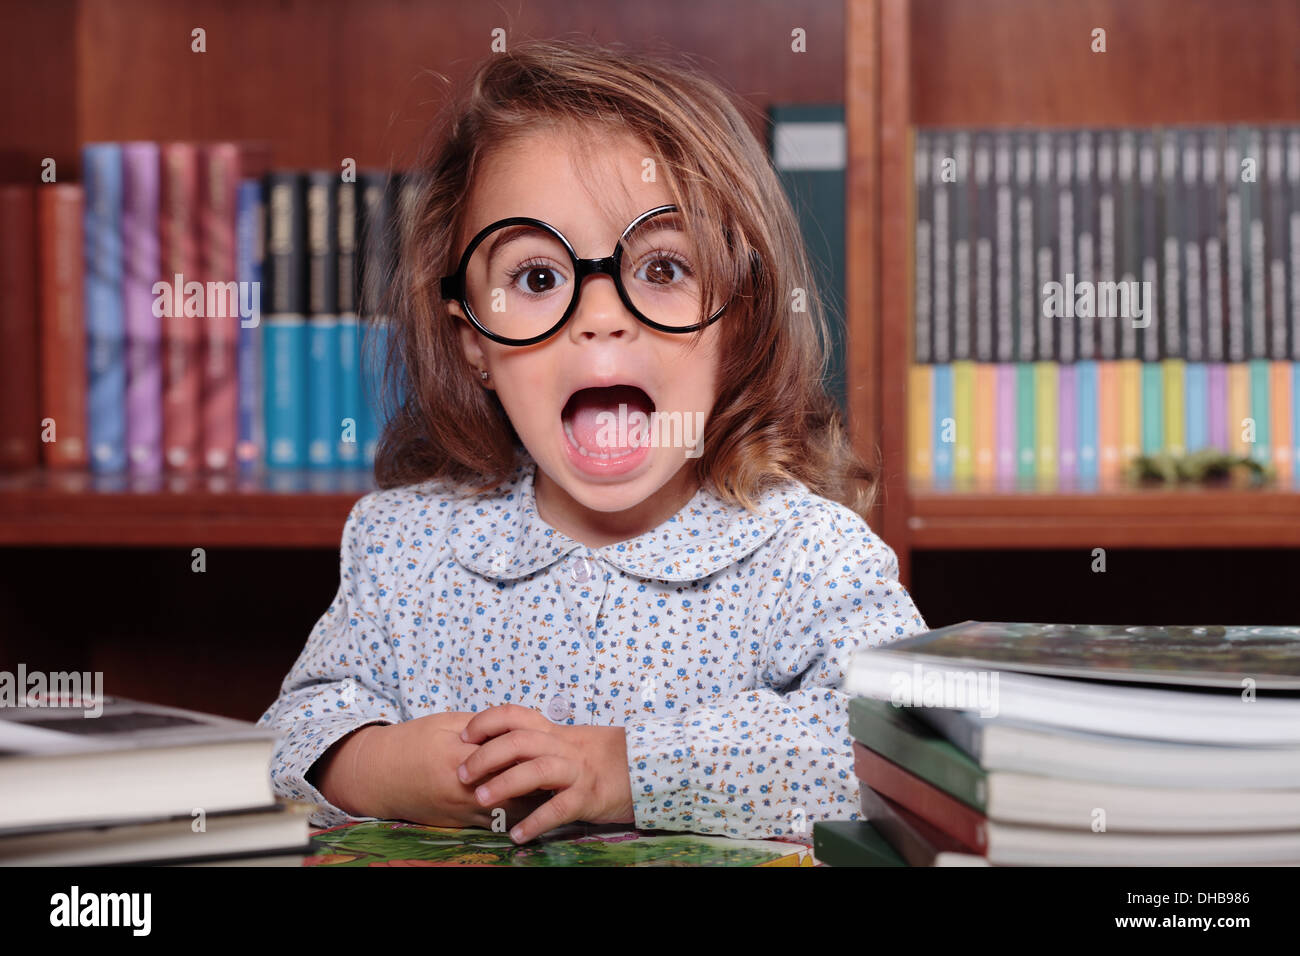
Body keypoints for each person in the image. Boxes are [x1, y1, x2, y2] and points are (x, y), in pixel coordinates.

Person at [258, 38, 927, 844]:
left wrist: (621, 769)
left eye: (662, 268)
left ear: (741, 315)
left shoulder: (803, 556)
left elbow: (903, 751)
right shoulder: (406, 549)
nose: (598, 313)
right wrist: (387, 768)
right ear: (473, 340)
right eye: (538, 278)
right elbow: (282, 739)